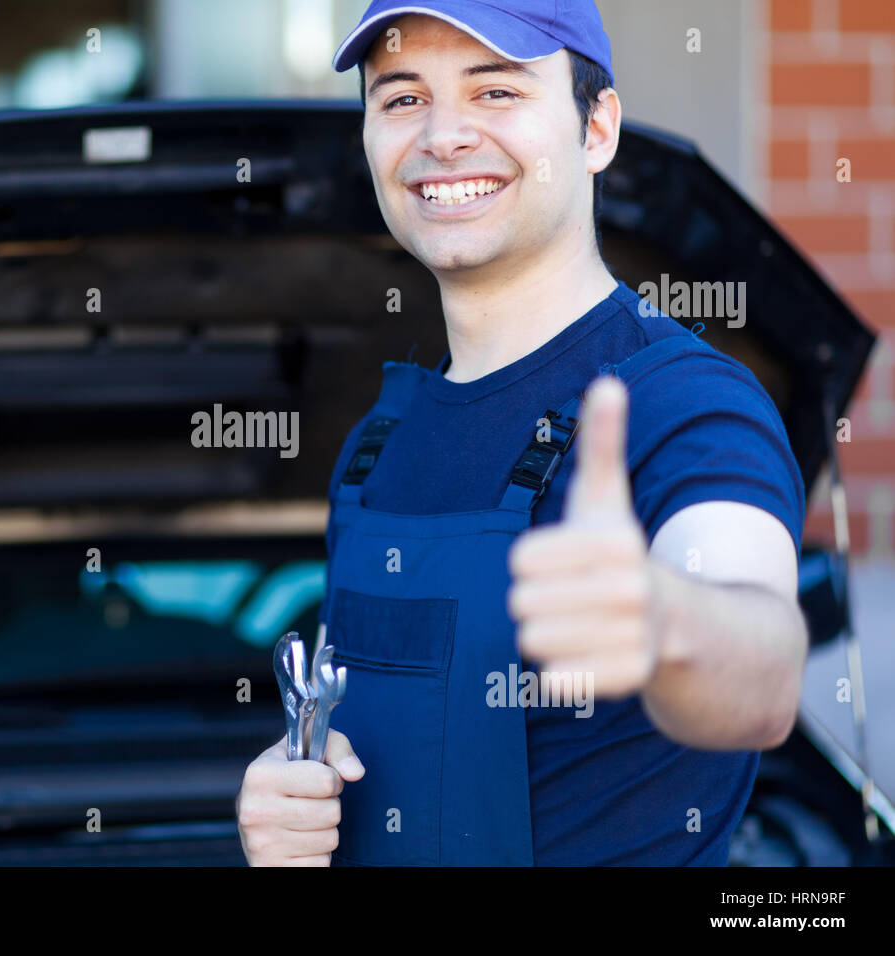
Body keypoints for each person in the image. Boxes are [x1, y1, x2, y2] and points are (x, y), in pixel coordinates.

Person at [236, 0, 808, 866]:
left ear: (597, 127)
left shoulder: (684, 407)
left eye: (496, 90)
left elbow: (761, 675)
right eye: (401, 98)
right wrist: (294, 798)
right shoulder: (375, 449)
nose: (443, 136)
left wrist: (664, 622)